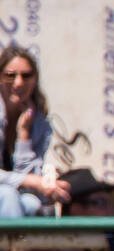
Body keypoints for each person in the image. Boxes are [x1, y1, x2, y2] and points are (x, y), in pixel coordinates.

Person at [0, 45, 68, 218]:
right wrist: (31, 181)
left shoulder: (39, 123)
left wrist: (23, 134)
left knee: (32, 203)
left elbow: (31, 182)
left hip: (12, 202)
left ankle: (22, 245)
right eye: (10, 76)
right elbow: (30, 181)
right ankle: (16, 246)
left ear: (35, 80)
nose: (18, 83)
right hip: (7, 198)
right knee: (8, 196)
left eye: (26, 75)